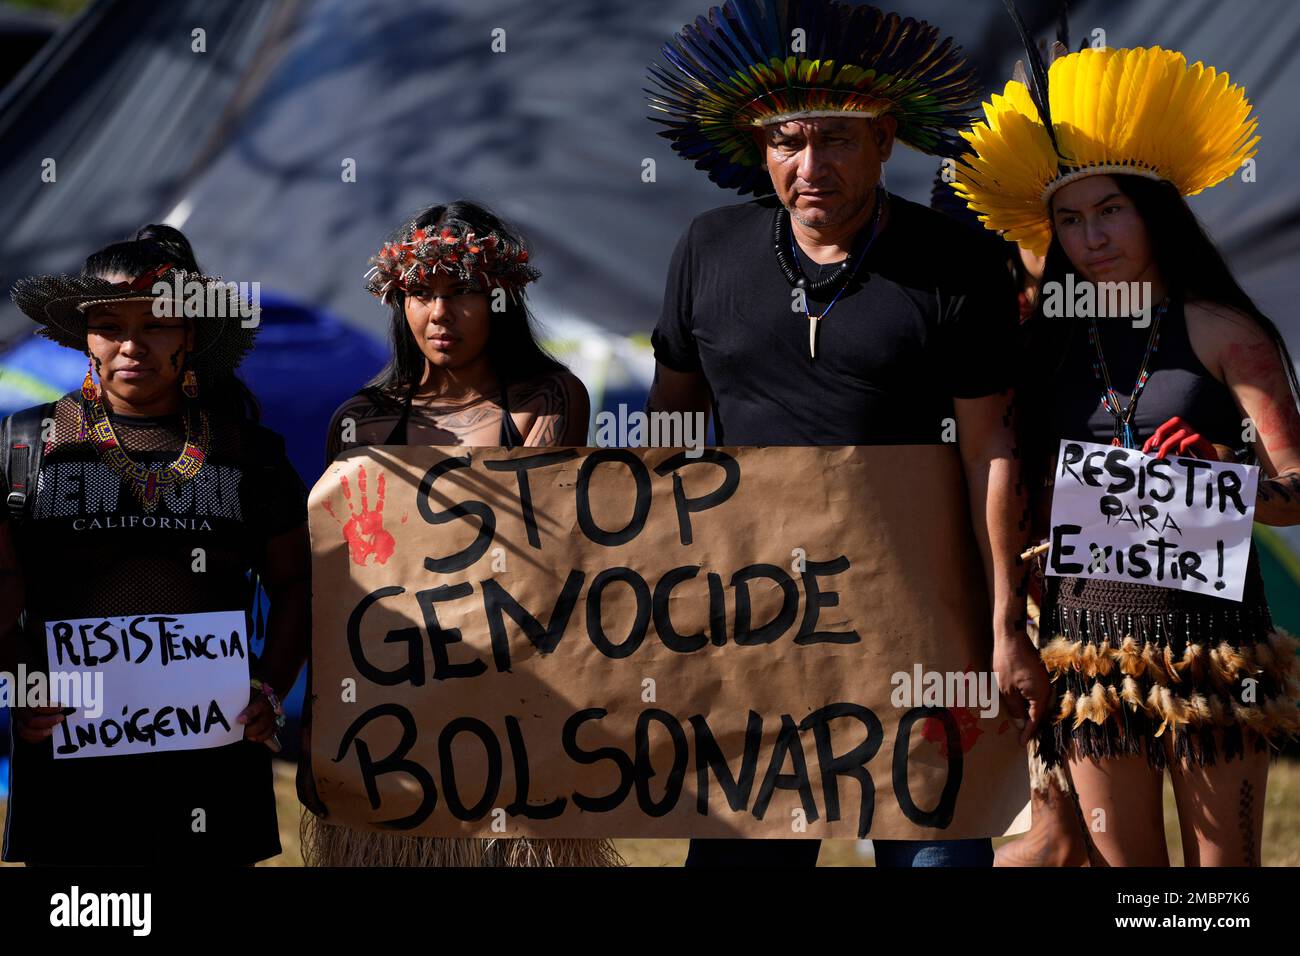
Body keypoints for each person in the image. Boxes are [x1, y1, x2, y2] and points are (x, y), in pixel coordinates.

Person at [645, 0, 1049, 867]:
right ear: (760, 148)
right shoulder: (708, 249)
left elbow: (991, 453)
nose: (811, 163)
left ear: (886, 141)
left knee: (934, 857)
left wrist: (1007, 623)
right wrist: (660, 584)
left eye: (837, 139)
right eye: (789, 141)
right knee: (740, 858)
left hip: (917, 625)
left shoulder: (954, 264)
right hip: (749, 627)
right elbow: (671, 425)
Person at [955, 42, 1300, 865]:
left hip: (1214, 649)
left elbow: (1296, 490)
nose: (1090, 237)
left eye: (1110, 210)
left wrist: (1227, 467)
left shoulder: (1224, 332)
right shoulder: (1039, 347)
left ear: (1154, 211)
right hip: (1085, 646)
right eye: (1069, 221)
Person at [298, 199, 619, 866]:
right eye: (420, 293)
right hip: (394, 714)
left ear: (500, 298)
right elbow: (336, 584)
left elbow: (540, 549)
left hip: (510, 708)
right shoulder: (362, 419)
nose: (439, 314)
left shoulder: (548, 401)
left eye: (463, 293)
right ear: (397, 300)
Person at [3, 225, 310, 865]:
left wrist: (271, 694)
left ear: (190, 335)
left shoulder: (250, 455)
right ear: (84, 335)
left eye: (157, 326)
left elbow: (296, 585)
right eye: (109, 326)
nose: (131, 345)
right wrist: (21, 683)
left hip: (212, 758)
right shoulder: (23, 445)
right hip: (68, 751)